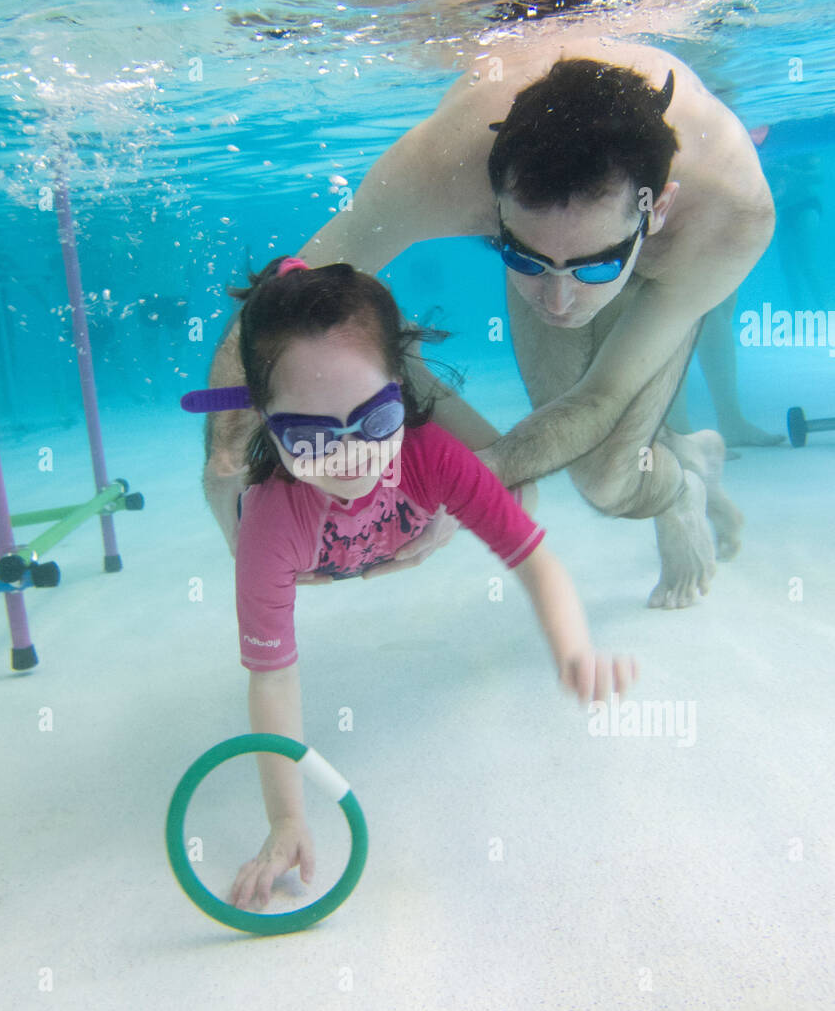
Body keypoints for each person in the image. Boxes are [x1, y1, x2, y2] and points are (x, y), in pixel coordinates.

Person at [203, 38, 776, 609]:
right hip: (566, 220)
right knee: (589, 449)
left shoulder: (733, 217)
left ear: (660, 206)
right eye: (523, 256)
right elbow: (289, 284)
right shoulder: (440, 168)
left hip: (682, 254)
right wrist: (224, 455)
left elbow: (603, 396)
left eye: (594, 265)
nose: (557, 302)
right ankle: (679, 443)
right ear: (494, 204)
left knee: (605, 479)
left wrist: (468, 490)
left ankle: (678, 489)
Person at [185, 256, 637, 912]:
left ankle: (348, 364)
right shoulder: (269, 524)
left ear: (398, 392)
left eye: (372, 421)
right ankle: (262, 410)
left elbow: (532, 556)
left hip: (397, 473)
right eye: (308, 436)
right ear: (272, 428)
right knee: (222, 469)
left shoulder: (430, 457)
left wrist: (575, 650)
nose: (348, 457)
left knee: (518, 490)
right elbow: (273, 676)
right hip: (275, 505)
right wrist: (287, 820)